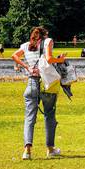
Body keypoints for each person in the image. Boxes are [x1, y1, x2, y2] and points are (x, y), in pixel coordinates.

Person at [12, 25, 65, 160]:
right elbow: (48, 59)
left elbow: (14, 55)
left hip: (31, 83)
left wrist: (26, 66)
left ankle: (27, 151)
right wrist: (60, 59)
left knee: (29, 118)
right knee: (49, 116)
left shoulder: (25, 46)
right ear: (44, 35)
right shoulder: (48, 41)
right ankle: (50, 149)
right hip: (46, 84)